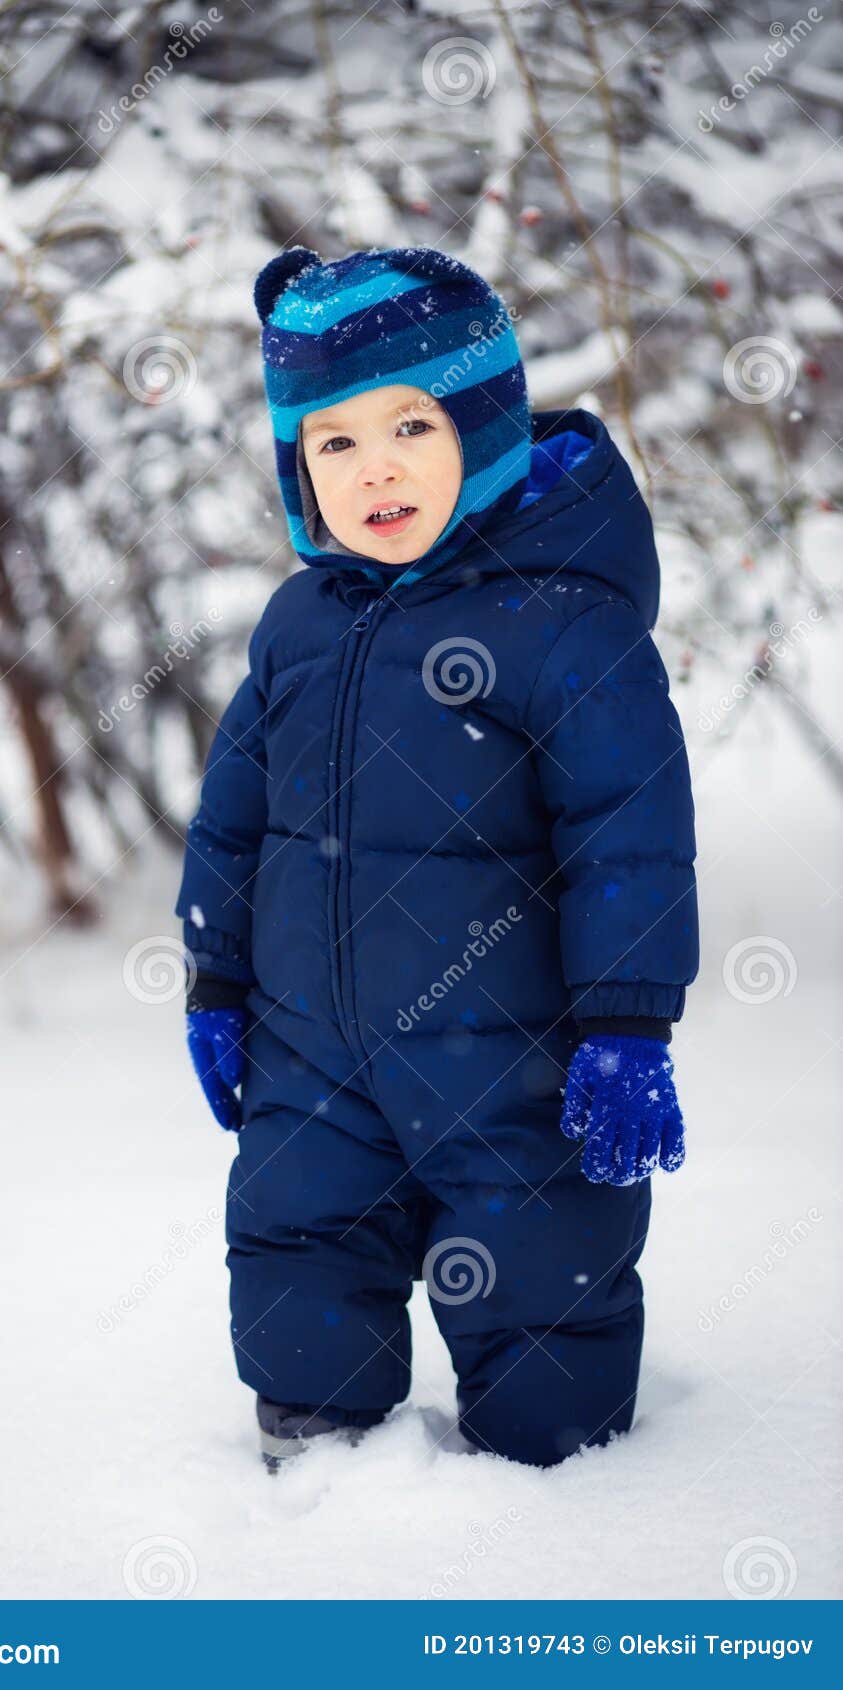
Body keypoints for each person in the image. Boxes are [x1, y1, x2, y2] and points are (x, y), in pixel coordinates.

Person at [174, 245, 699, 1473]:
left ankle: (554, 1495)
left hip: (516, 1062)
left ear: (486, 421)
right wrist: (214, 981)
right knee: (298, 1237)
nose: (377, 468)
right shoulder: (300, 622)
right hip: (312, 1053)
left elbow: (629, 832)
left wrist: (627, 1023)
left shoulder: (565, 621)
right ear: (298, 466)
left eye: (411, 423)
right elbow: (233, 814)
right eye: (335, 441)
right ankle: (311, 1488)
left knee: (538, 1269)